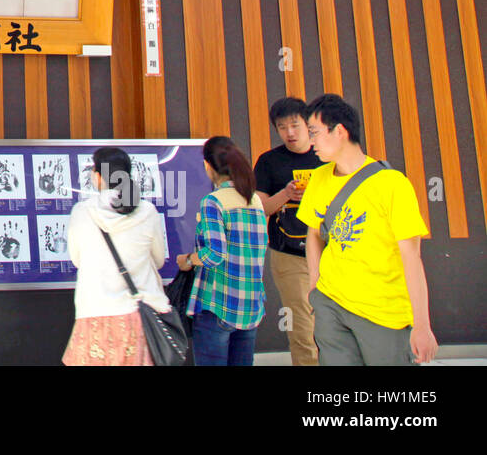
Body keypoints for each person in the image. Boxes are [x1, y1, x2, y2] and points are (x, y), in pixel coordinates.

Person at [298, 93, 437, 365]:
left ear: (339, 131)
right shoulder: (319, 178)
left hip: (383, 311)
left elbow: (411, 256)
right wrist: (315, 285)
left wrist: (422, 324)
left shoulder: (392, 184)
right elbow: (313, 233)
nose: (310, 141)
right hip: (330, 303)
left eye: (314, 132)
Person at [64, 146, 169, 366]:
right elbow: (158, 261)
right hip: (138, 315)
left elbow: (77, 260)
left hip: (94, 313)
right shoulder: (147, 211)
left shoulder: (82, 212)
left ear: (98, 176)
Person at [177, 137, 268, 366]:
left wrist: (188, 260)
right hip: (249, 303)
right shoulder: (254, 200)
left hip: (217, 302)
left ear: (208, 165)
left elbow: (214, 254)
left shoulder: (213, 201)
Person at [254, 96, 322, 365]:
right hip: (290, 254)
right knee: (303, 324)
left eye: (295, 125)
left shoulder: (325, 156)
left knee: (336, 319)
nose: (289, 133)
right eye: (282, 127)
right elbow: (261, 209)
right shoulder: (269, 161)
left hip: (332, 252)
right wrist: (285, 194)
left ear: (308, 125)